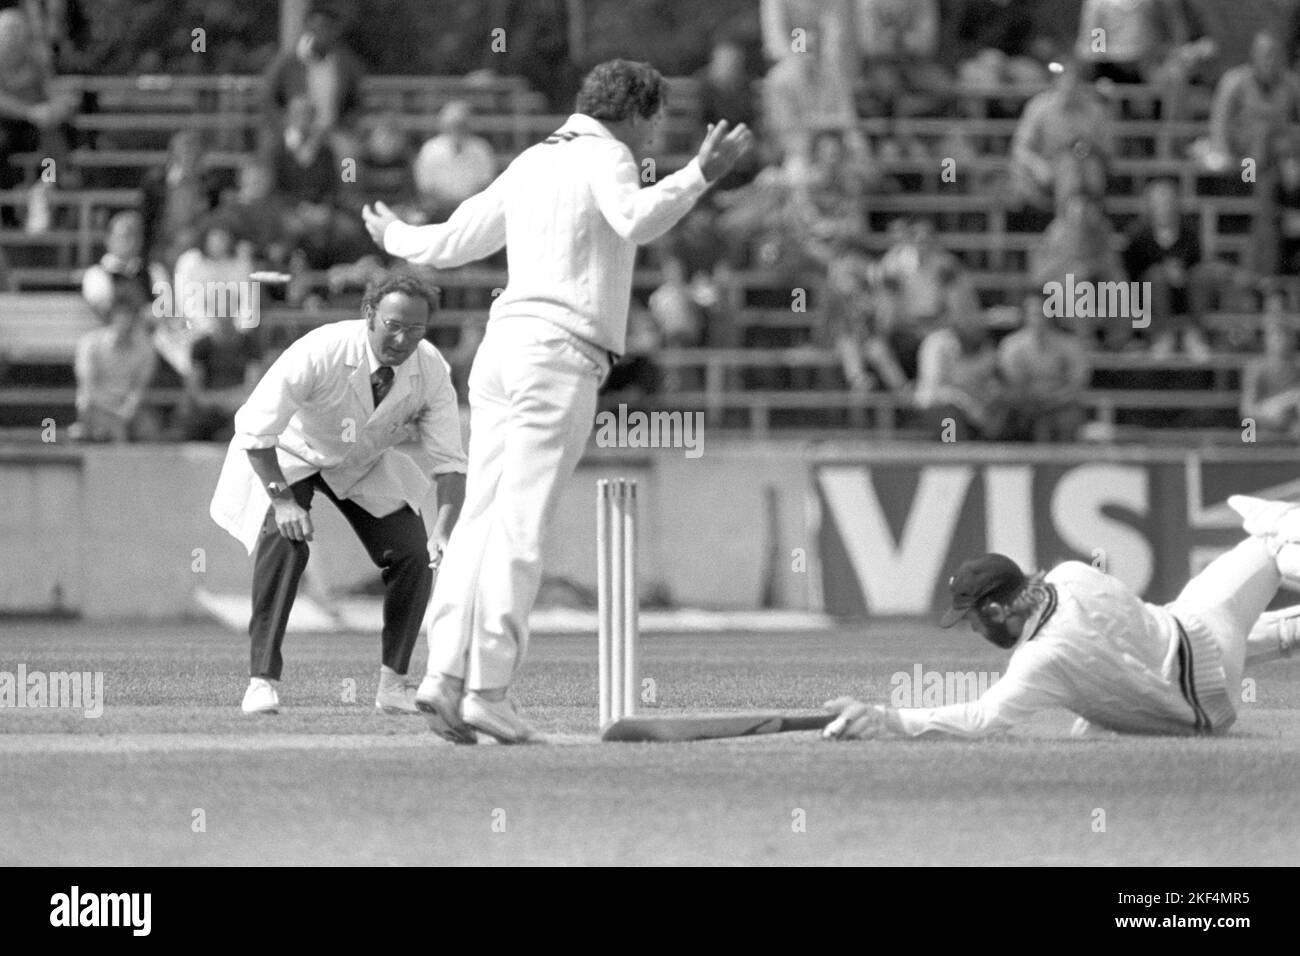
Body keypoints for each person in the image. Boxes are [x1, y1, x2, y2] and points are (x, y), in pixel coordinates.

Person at [362, 59, 753, 744]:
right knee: (518, 525)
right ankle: (487, 691)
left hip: (500, 353)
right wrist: (699, 175)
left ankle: (441, 677)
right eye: (655, 120)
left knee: (478, 520)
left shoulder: (534, 159)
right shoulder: (608, 155)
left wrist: (392, 234)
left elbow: (449, 242)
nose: (654, 135)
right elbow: (635, 221)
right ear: (635, 112)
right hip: (558, 356)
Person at [822, 494, 1300, 741]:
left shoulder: (1039, 662)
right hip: (1201, 642)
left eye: (972, 620)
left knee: (1258, 556)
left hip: (1203, 715)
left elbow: (980, 719)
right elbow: (1132, 631)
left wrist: (884, 717)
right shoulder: (1073, 574)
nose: (973, 630)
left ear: (995, 610)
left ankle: (1288, 626)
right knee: (1268, 542)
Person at [208, 270, 468, 716]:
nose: (403, 339)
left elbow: (450, 462)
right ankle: (261, 680)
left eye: (415, 329)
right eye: (394, 325)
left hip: (361, 462)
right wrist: (283, 500)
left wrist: (444, 529)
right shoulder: (321, 349)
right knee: (285, 541)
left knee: (413, 554)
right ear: (369, 314)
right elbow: (253, 430)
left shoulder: (430, 369)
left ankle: (393, 685)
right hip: (291, 450)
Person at [1121, 177, 1209, 359]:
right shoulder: (1137, 235)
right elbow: (1131, 273)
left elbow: (1197, 263)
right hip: (1149, 298)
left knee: (1202, 275)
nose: (1164, 207)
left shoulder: (1190, 232)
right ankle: (1162, 335)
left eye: (1168, 201)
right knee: (1156, 277)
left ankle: (1194, 334)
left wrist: (1181, 273)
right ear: (1150, 205)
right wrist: (1162, 271)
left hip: (1184, 292)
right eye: (1159, 202)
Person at [262, 6, 365, 160]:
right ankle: (285, 184)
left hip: (333, 130)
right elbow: (269, 98)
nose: (320, 33)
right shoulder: (289, 62)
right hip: (296, 129)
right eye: (315, 28)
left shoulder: (346, 64)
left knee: (348, 156)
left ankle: (347, 183)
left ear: (334, 31)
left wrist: (347, 125)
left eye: (326, 28)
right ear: (306, 29)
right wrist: (284, 126)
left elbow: (357, 101)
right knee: (285, 153)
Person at [997, 293, 1090, 441]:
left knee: (1068, 417)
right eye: (1033, 313)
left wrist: (1053, 400)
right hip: (1025, 405)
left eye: (1042, 312)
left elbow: (1078, 383)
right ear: (1025, 315)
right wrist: (1034, 400)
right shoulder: (1010, 345)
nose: (1038, 318)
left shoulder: (1071, 344)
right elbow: (1013, 382)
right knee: (1005, 414)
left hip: (1061, 405)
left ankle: (1062, 463)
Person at [71, 292, 158, 442]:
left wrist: (127, 410)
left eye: (130, 315)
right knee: (116, 433)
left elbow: (139, 389)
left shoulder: (146, 349)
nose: (125, 320)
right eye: (121, 315)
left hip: (129, 410)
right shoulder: (89, 344)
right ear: (112, 317)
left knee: (149, 430)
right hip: (94, 408)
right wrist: (113, 414)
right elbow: (88, 386)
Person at [412, 100, 495, 224]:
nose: (458, 128)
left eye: (462, 124)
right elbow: (425, 188)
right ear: (444, 125)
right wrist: (449, 206)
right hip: (438, 211)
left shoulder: (482, 149)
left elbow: (485, 186)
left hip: (473, 212)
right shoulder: (429, 149)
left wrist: (465, 206)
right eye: (454, 124)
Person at [80, 210, 169, 319]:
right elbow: (105, 310)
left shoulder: (154, 271)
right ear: (108, 239)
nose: (131, 241)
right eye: (125, 236)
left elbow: (167, 309)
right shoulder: (96, 275)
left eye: (135, 235)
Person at [1240, 299, 1300, 441]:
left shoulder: (1297, 366)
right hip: (1264, 424)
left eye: (1286, 334)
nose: (1281, 340)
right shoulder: (1256, 368)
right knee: (1249, 427)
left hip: (1294, 427)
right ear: (1266, 338)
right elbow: (1246, 409)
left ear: (1293, 338)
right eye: (1276, 334)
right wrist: (1273, 412)